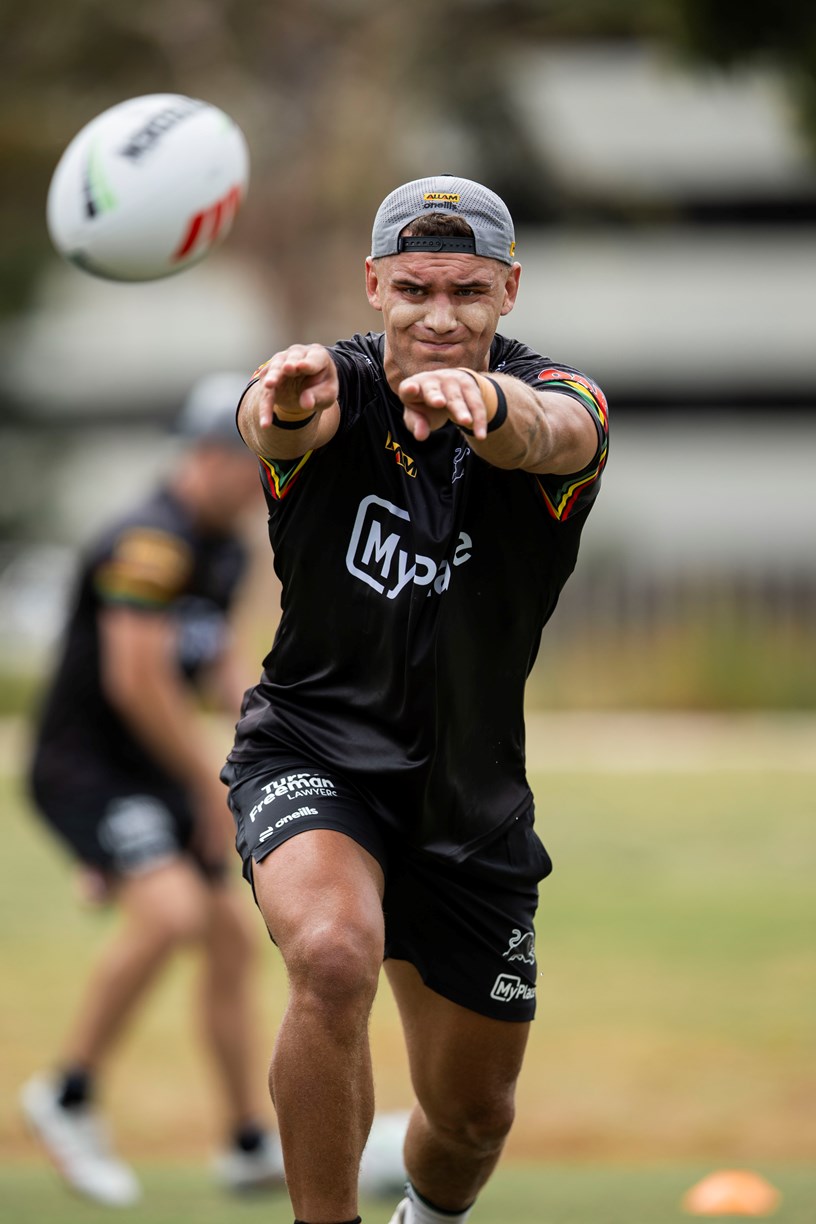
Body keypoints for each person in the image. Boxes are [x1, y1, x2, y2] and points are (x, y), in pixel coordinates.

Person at [221, 173, 610, 1224]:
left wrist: (491, 411)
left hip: (469, 801)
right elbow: (276, 423)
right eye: (415, 289)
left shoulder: (558, 396)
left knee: (474, 1118)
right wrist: (282, 402)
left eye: (468, 292)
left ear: (509, 291)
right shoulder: (330, 383)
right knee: (332, 954)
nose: (441, 316)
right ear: (374, 285)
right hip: (312, 752)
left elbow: (553, 435)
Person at [19, 373, 284, 1206]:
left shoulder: (227, 547)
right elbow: (136, 683)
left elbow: (217, 667)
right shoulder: (149, 542)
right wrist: (208, 791)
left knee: (230, 939)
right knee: (170, 915)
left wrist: (262, 751)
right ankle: (67, 1096)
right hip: (86, 768)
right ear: (211, 456)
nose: (266, 482)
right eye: (259, 463)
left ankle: (246, 1142)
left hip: (153, 769)